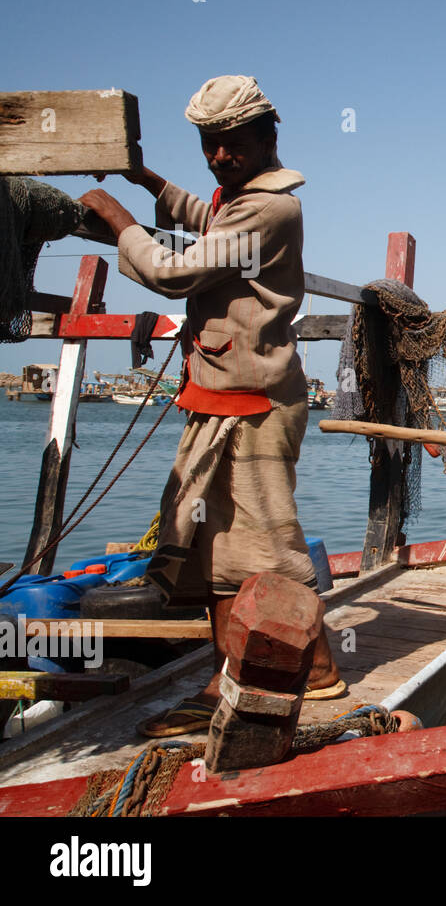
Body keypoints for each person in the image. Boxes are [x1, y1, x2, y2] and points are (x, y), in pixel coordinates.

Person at [78, 76, 345, 738]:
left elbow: (177, 274)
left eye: (231, 144)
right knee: (220, 549)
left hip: (255, 404)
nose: (219, 157)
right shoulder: (245, 202)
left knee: (270, 548)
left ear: (266, 136)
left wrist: (119, 223)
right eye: (209, 146)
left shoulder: (271, 211)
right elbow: (210, 219)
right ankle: (228, 673)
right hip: (224, 394)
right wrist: (148, 181)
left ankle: (315, 672)